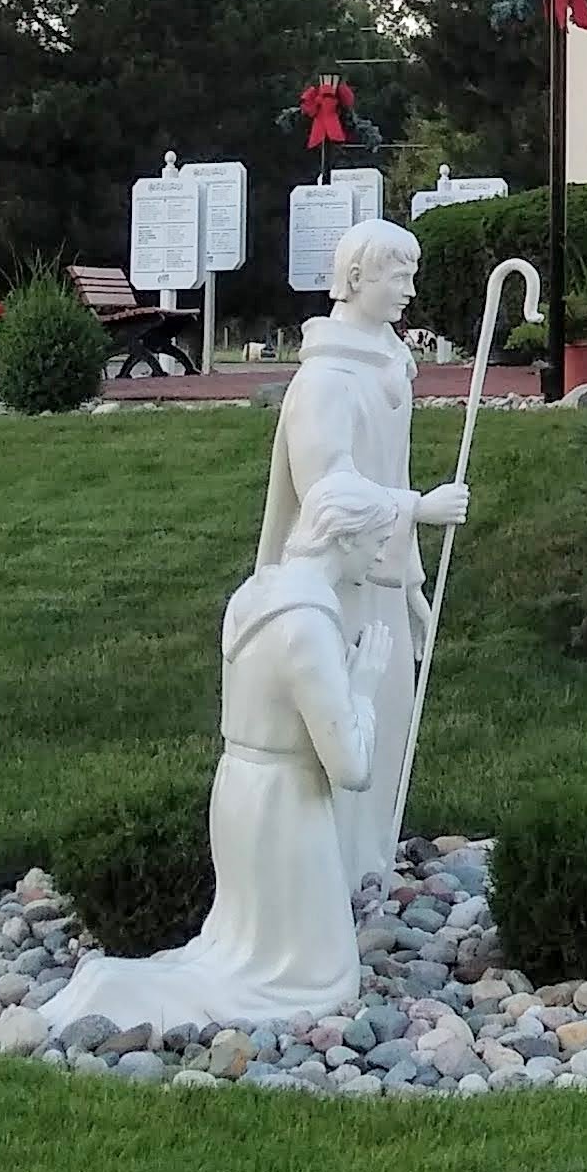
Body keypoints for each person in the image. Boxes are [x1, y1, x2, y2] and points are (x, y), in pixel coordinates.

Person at [47, 468, 389, 1036]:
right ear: (345, 538)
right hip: (285, 805)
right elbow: (351, 767)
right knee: (312, 982)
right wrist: (365, 689)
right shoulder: (307, 622)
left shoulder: (255, 593)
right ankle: (115, 989)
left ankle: (112, 986)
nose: (379, 560)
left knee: (236, 950)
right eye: (377, 543)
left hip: (238, 789)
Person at [257, 214, 467, 878]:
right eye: (395, 275)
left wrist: (411, 585)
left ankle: (367, 862)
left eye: (412, 275)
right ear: (353, 279)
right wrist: (417, 509)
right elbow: (328, 493)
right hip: (336, 585)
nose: (408, 289)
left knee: (389, 720)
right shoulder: (327, 381)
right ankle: (330, 871)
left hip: (381, 576)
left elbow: (387, 468)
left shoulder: (386, 363)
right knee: (343, 721)